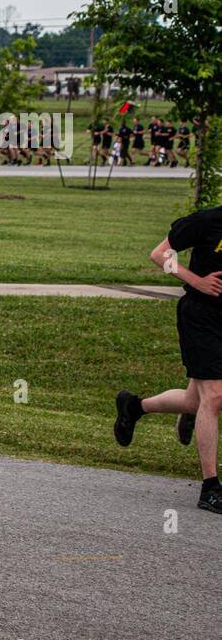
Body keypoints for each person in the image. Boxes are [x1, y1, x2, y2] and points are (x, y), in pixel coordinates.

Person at [114, 203, 222, 514]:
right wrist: (195, 280)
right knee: (213, 398)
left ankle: (134, 407)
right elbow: (160, 254)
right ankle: (210, 488)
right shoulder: (208, 221)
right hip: (201, 318)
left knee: (195, 402)